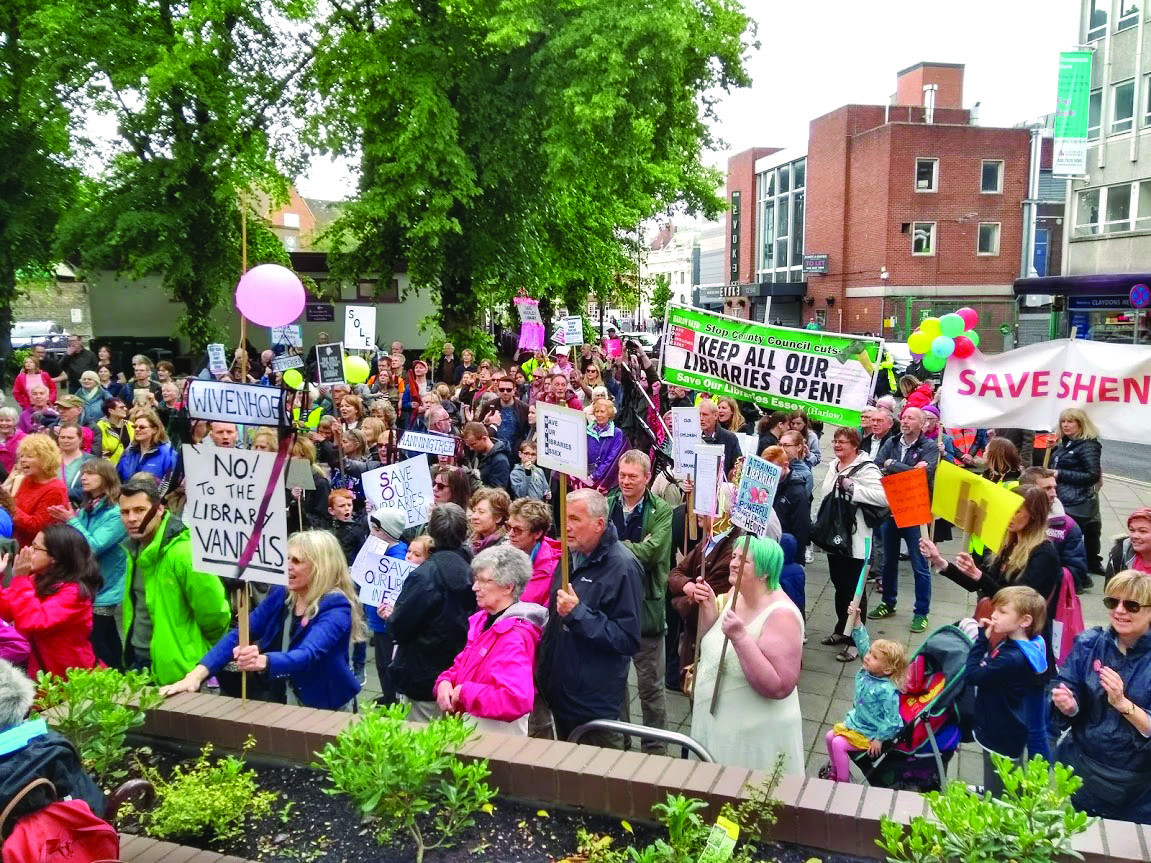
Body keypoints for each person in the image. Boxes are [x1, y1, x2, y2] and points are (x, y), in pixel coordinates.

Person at [162, 531, 366, 710]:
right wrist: (196, 675)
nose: (287, 566)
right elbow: (241, 632)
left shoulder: (336, 606)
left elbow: (307, 655)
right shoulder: (282, 593)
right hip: (282, 697)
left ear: (321, 567)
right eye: (286, 559)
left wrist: (262, 661)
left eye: (296, 561)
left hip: (326, 705)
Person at [684, 536, 804, 772]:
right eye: (734, 556)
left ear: (765, 572)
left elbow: (780, 686)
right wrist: (708, 607)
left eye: (744, 560)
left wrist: (740, 638)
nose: (733, 563)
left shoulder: (782, 615)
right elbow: (709, 642)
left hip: (753, 741)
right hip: (715, 726)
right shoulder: (734, 595)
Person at [536, 489, 642, 748]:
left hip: (594, 704)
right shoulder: (570, 557)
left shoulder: (623, 567)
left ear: (599, 525)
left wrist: (578, 614)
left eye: (575, 519)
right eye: (565, 518)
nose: (567, 527)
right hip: (562, 694)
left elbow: (627, 639)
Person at [921, 485, 1062, 681]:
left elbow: (1020, 603)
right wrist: (940, 561)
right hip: (998, 628)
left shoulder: (1044, 553)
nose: (1010, 516)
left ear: (1034, 515)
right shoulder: (1010, 544)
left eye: (1017, 511)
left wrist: (979, 575)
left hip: (1020, 641)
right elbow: (978, 584)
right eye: (1007, 510)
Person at [1050, 570, 1151, 822]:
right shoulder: (1090, 643)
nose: (1119, 610)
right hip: (1083, 770)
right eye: (1112, 602)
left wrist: (1123, 704)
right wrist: (1068, 705)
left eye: (1131, 605)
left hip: (1137, 790)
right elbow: (1068, 686)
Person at [118, 475, 230, 684]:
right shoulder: (132, 549)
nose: (131, 518)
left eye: (140, 510)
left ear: (160, 509)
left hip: (180, 669)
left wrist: (190, 651)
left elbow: (215, 614)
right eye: (125, 512)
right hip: (138, 659)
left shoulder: (184, 552)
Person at [434, 545, 547, 735]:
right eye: (476, 579)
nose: (474, 587)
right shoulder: (485, 620)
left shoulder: (513, 637)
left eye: (484, 581)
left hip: (494, 741)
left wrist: (465, 693)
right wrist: (445, 681)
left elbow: (516, 699)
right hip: (473, 729)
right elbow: (463, 665)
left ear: (508, 587)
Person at [605, 450, 672, 754]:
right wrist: (634, 547)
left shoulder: (662, 511)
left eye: (633, 476)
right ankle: (620, 742)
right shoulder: (606, 504)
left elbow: (654, 553)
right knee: (614, 685)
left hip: (646, 609)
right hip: (612, 609)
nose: (626, 481)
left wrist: (613, 547)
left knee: (651, 688)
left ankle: (656, 748)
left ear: (647, 477)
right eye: (622, 475)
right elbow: (593, 546)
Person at [387, 503, 477, 720]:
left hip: (423, 675)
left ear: (432, 533)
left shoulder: (424, 576)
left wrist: (393, 616)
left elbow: (399, 627)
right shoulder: (474, 569)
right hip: (460, 673)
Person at [965, 586, 1050, 795]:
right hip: (1010, 724)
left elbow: (972, 675)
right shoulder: (1026, 645)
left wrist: (982, 640)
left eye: (1002, 612)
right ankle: (993, 790)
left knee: (1000, 775)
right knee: (1005, 773)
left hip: (999, 729)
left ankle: (997, 803)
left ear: (1025, 621)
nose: (994, 615)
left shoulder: (1010, 658)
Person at [45, 459, 127, 669]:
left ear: (106, 478)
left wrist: (72, 520)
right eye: (83, 473)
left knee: (96, 640)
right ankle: (123, 676)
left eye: (91, 473)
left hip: (106, 586)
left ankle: (114, 679)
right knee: (108, 637)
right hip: (91, 584)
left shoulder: (115, 513)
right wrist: (66, 522)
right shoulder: (88, 508)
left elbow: (92, 546)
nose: (84, 477)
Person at [0, 524, 102, 678]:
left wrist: (20, 578)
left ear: (55, 557)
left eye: (35, 547)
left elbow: (35, 621)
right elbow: (5, 611)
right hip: (41, 672)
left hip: (71, 677)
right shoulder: (35, 580)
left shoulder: (74, 593)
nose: (28, 550)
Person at [820, 428, 887, 660]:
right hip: (836, 538)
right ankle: (842, 628)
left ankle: (856, 641)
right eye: (835, 441)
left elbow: (883, 497)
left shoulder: (867, 469)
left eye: (842, 442)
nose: (837, 445)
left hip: (857, 540)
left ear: (855, 445)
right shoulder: (833, 465)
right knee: (839, 585)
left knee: (855, 591)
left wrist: (853, 488)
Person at [870, 407, 939, 633]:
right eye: (904, 417)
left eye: (911, 418)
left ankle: (921, 612)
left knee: (920, 564)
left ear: (922, 424)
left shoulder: (928, 446)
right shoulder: (891, 442)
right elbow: (877, 466)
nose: (905, 421)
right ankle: (888, 602)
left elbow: (923, 476)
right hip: (890, 509)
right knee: (888, 560)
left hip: (915, 512)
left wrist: (892, 465)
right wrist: (903, 469)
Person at [821, 605, 907, 782]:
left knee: (837, 743)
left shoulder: (887, 691)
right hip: (858, 723)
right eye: (870, 653)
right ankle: (835, 772)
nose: (867, 657)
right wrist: (857, 620)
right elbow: (862, 645)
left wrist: (880, 739)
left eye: (874, 657)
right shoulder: (868, 671)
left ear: (888, 669)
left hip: (870, 732)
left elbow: (893, 720)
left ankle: (842, 782)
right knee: (829, 736)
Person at [668, 488, 740, 682]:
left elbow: (697, 609)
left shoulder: (730, 553)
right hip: (694, 645)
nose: (697, 511)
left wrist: (676, 597)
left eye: (707, 506)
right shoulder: (709, 541)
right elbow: (674, 573)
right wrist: (689, 587)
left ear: (724, 513)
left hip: (707, 646)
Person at [1051, 408, 1104, 577]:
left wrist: (1060, 474)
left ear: (1081, 424)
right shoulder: (1065, 443)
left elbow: (1092, 475)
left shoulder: (1089, 445)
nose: (1065, 425)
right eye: (1063, 421)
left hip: (1077, 500)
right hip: (1063, 496)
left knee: (1072, 537)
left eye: (1070, 421)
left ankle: (1078, 573)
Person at [1019, 466, 1089, 593]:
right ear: (1028, 490)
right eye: (1047, 488)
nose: (1054, 493)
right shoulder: (1013, 518)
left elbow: (1077, 572)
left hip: (1045, 601)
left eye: (1054, 487)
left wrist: (1041, 575)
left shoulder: (1068, 526)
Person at [0, 434, 70, 548]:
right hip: (18, 546)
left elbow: (37, 527)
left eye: (29, 456)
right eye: (21, 456)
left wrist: (8, 505)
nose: (23, 460)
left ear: (45, 459)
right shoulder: (26, 480)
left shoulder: (56, 489)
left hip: (38, 552)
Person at [506, 498, 560, 606]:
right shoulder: (500, 556)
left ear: (537, 533)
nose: (511, 534)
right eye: (508, 526)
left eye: (518, 530)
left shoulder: (554, 570)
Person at [116, 409, 177, 483]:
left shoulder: (168, 454)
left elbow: (173, 484)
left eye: (142, 427)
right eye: (135, 427)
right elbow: (117, 480)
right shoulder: (128, 452)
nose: (137, 430)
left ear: (154, 430)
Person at [583, 399, 627, 494]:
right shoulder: (586, 430)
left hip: (605, 476)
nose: (599, 415)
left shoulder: (616, 433)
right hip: (586, 476)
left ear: (609, 414)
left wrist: (595, 476)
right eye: (597, 411)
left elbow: (612, 458)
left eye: (602, 411)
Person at [461, 422, 511, 492]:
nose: (471, 448)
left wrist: (472, 480)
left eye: (473, 444)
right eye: (468, 445)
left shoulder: (500, 461)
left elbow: (495, 494)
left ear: (484, 438)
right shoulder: (477, 453)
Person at [1107, 508, 1151, 584]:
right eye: (1132, 530)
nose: (1135, 536)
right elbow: (1111, 589)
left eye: (1143, 531)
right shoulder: (1120, 552)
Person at [325, 489, 369, 566]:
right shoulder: (325, 528)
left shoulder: (358, 528)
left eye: (349, 505)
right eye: (341, 506)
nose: (347, 508)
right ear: (331, 510)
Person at [699, 399, 740, 478]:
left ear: (715, 416)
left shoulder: (730, 438)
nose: (701, 418)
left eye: (705, 415)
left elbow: (737, 466)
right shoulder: (694, 437)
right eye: (699, 414)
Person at [56, 423, 92, 505]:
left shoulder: (90, 461)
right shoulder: (49, 460)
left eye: (70, 438)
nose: (65, 441)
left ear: (80, 439)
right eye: (62, 437)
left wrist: (64, 491)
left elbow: (92, 490)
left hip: (79, 510)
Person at [469, 487, 509, 554]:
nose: (474, 517)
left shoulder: (505, 548)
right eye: (474, 511)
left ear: (498, 518)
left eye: (481, 512)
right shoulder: (470, 540)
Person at [96, 398, 132, 465]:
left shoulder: (131, 425)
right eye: (121, 407)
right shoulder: (100, 427)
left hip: (129, 467)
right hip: (109, 468)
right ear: (111, 410)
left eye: (125, 407)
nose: (125, 409)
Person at [0, 408, 25, 475]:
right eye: (1, 420)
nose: (3, 423)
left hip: (18, 478)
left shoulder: (24, 439)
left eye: (8, 420)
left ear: (15, 422)